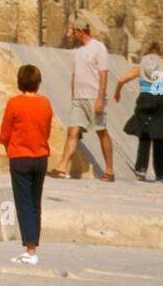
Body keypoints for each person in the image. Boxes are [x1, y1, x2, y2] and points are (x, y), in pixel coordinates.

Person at [49, 11, 114, 180]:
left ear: (81, 31)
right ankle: (62, 167)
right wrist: (73, 96)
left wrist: (100, 99)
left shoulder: (98, 48)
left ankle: (109, 170)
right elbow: (75, 74)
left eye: (74, 32)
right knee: (73, 132)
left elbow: (103, 74)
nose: (73, 35)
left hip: (94, 97)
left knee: (101, 132)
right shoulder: (77, 50)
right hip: (78, 98)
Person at [0, 63, 53, 265]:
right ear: (38, 83)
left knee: (23, 203)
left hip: (20, 156)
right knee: (35, 201)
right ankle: (33, 245)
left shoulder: (14, 103)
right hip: (40, 156)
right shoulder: (46, 103)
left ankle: (30, 250)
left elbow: (5, 133)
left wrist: (9, 149)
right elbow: (46, 129)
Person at [115, 45, 163, 182]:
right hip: (159, 102)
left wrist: (117, 92)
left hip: (145, 100)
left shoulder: (140, 70)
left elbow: (122, 80)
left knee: (145, 137)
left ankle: (141, 169)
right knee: (159, 139)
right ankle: (160, 174)